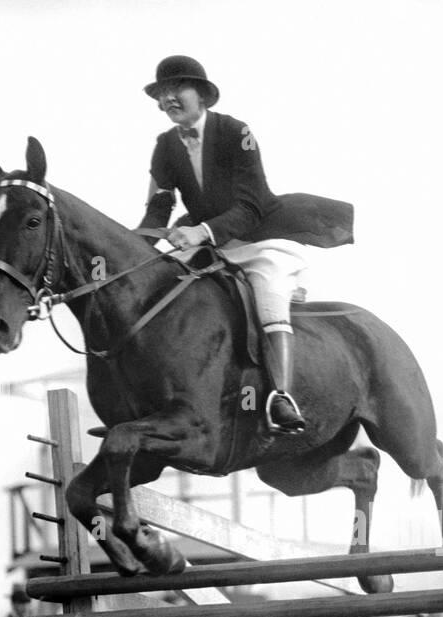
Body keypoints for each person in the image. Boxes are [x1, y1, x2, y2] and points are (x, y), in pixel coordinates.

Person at [136, 55, 354, 435]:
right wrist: (138, 243)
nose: (167, 100)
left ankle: (281, 398)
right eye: (162, 94)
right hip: (208, 241)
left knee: (268, 299)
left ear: (201, 95)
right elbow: (160, 205)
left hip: (260, 236)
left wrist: (201, 232)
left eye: (176, 91)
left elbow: (251, 206)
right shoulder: (164, 146)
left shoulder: (237, 132)